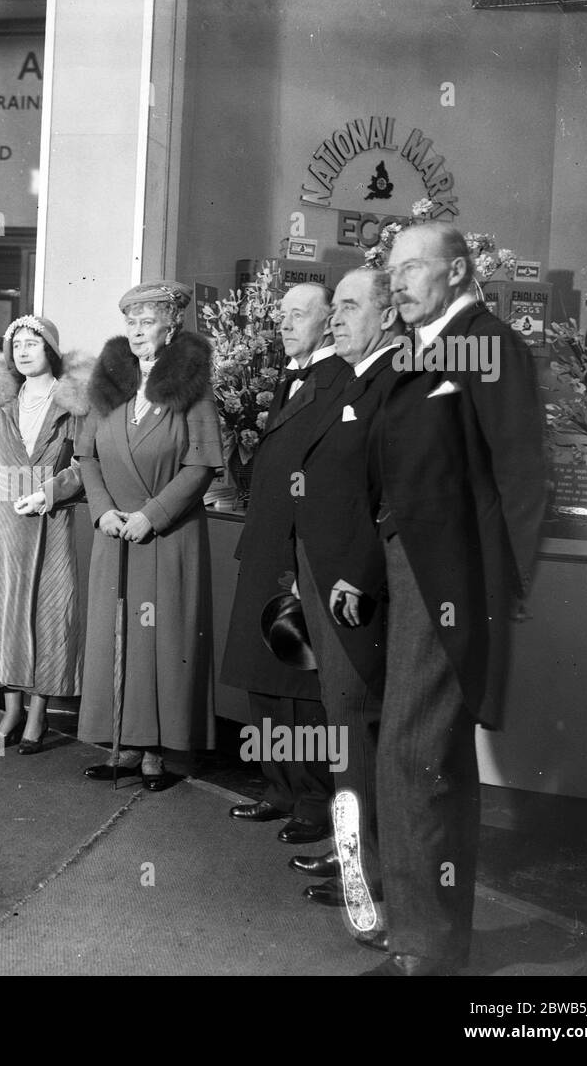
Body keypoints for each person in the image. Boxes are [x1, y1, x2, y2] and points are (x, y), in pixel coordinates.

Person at [359, 222, 547, 975]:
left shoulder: (487, 341)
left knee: (411, 752)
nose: (398, 282)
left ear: (459, 270)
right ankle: (431, 940)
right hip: (413, 572)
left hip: (451, 583)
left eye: (413, 268)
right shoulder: (426, 346)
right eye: (392, 270)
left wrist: (504, 587)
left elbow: (522, 474)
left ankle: (423, 949)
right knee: (433, 756)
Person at [77, 281, 223, 790]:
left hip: (167, 537)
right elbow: (86, 457)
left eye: (148, 321)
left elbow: (201, 464)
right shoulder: (109, 385)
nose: (138, 331)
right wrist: (102, 512)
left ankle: (157, 754)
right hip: (114, 533)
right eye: (131, 322)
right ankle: (122, 746)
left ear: (172, 326)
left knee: (161, 641)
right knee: (117, 638)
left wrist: (152, 515)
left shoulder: (192, 388)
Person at [289, 268, 404, 915]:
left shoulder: (393, 381)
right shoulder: (351, 377)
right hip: (325, 573)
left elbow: (388, 493)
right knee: (343, 721)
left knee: (355, 720)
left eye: (349, 306)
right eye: (331, 307)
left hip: (354, 582)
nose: (335, 317)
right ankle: (352, 859)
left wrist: (357, 575)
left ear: (387, 317)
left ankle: (368, 876)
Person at [221, 282, 349, 843]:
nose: (285, 324)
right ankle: (278, 788)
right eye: (282, 315)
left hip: (300, 557)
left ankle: (315, 800)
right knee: (265, 681)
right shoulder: (287, 381)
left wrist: (306, 559)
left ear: (328, 322)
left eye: (299, 315)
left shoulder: (340, 381)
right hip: (267, 551)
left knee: (301, 685)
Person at [0, 315, 86, 754]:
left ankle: (38, 715)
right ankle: (10, 709)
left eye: (33, 342)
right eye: (16, 344)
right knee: (6, 613)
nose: (23, 350)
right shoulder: (0, 402)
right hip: (4, 519)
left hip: (51, 520)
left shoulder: (73, 403)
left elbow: (85, 465)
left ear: (50, 349)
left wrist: (50, 494)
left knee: (50, 614)